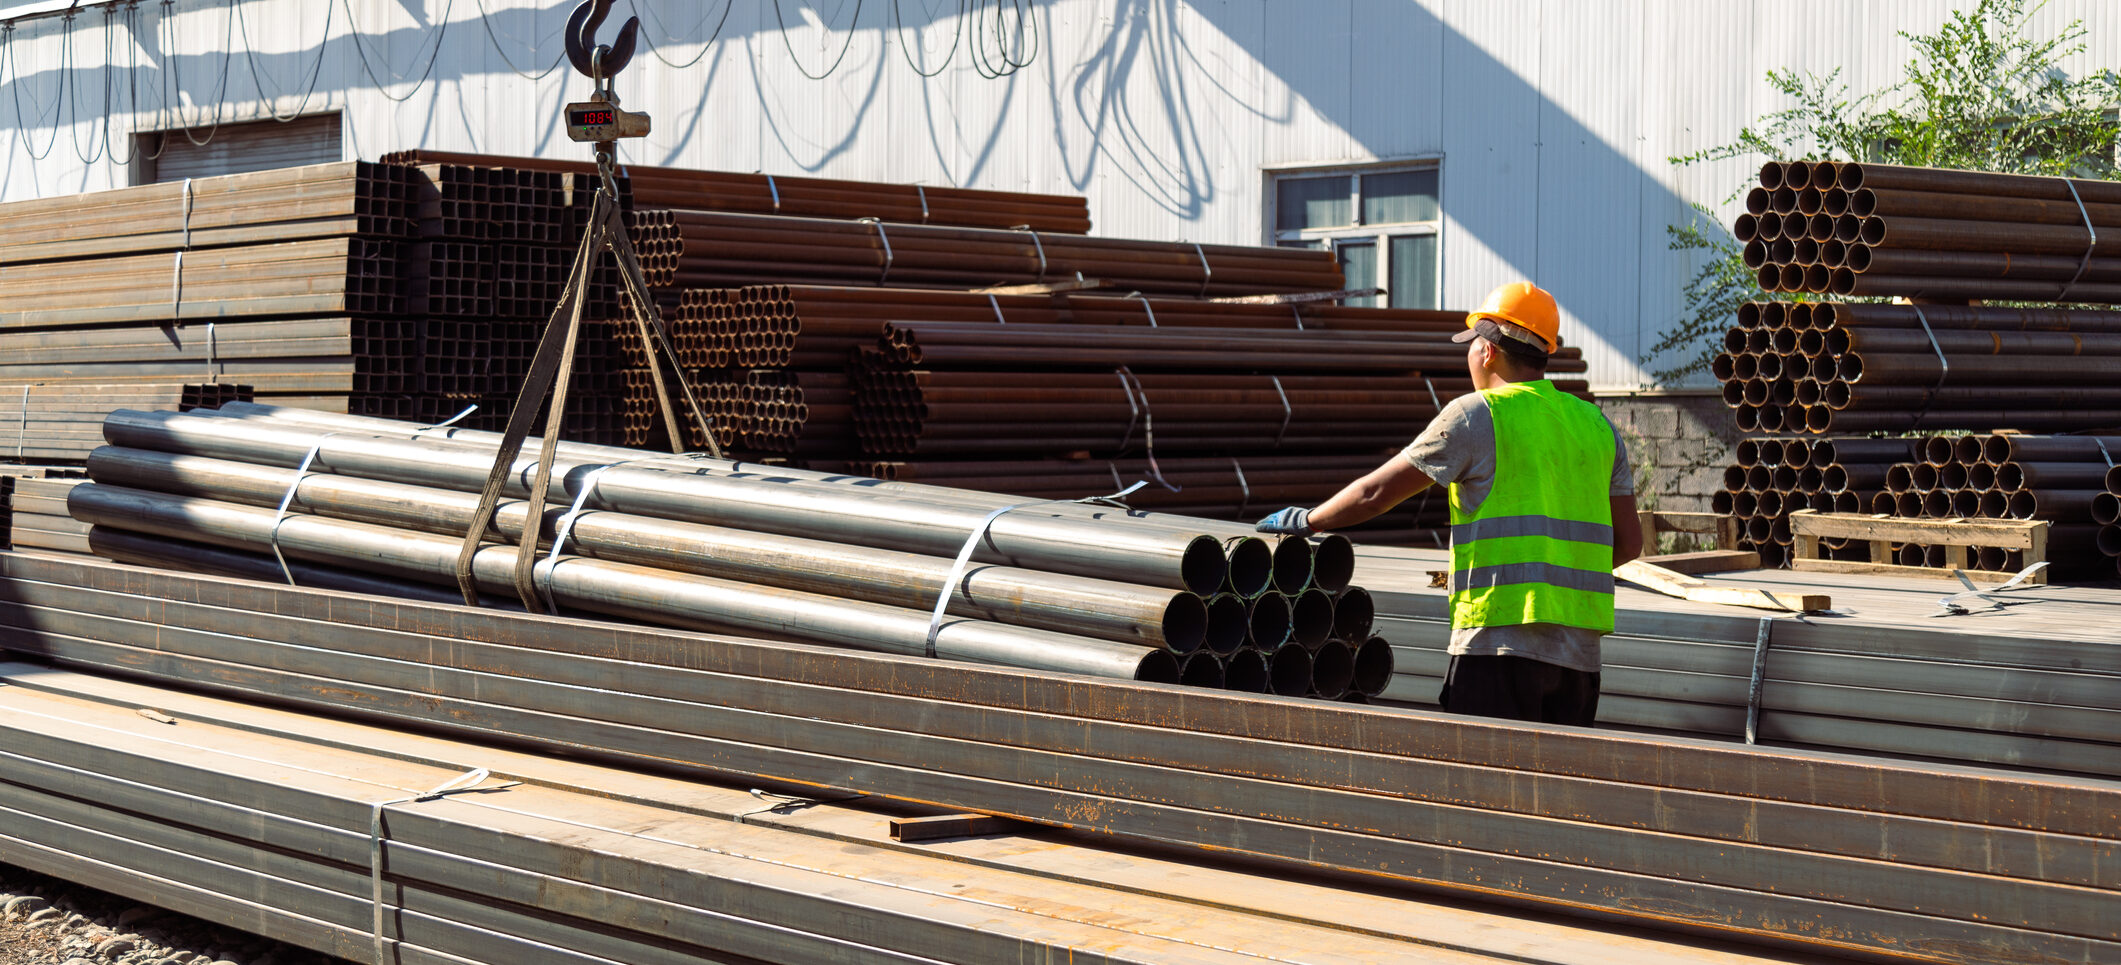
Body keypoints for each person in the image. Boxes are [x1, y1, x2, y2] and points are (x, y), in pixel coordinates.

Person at [1256, 282, 1640, 725]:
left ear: (1487, 350)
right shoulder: (1596, 425)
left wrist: (1308, 520)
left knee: (1478, 772)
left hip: (1496, 648)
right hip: (1579, 663)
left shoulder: (1477, 415)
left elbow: (1375, 494)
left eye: (1472, 343)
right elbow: (1630, 544)